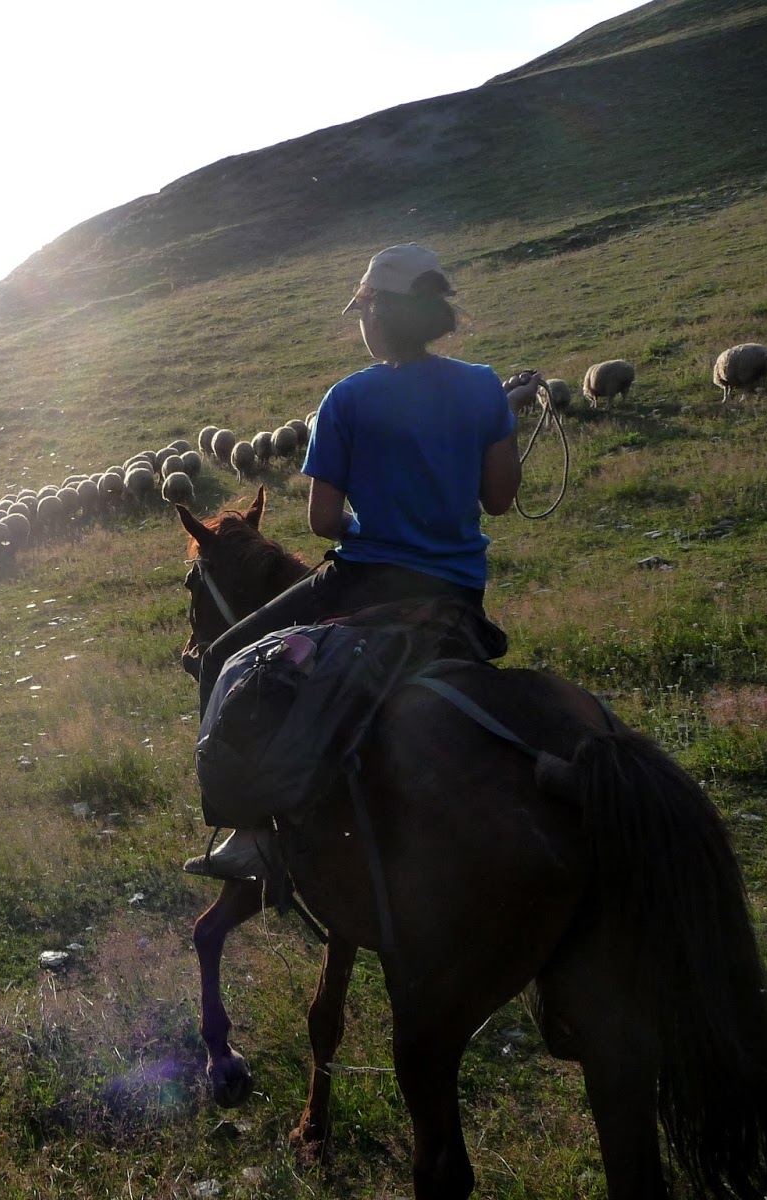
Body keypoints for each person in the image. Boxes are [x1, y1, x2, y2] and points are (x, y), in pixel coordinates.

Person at [186, 244, 531, 881]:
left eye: (361, 310)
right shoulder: (484, 386)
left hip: (365, 579)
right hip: (458, 591)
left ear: (377, 312)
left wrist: (371, 524)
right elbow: (501, 500)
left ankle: (249, 830)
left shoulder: (346, 398)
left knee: (221, 656)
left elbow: (322, 522)